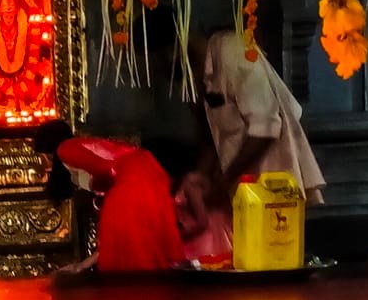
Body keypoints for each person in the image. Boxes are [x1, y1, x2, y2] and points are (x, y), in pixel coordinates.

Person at [199, 24, 325, 204]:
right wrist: (202, 177)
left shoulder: (231, 50)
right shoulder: (201, 74)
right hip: (247, 197)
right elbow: (211, 136)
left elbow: (266, 126)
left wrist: (224, 182)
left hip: (276, 190)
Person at [55, 134, 186, 273]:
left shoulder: (123, 190)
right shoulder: (136, 160)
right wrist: (82, 265)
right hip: (149, 178)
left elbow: (114, 245)